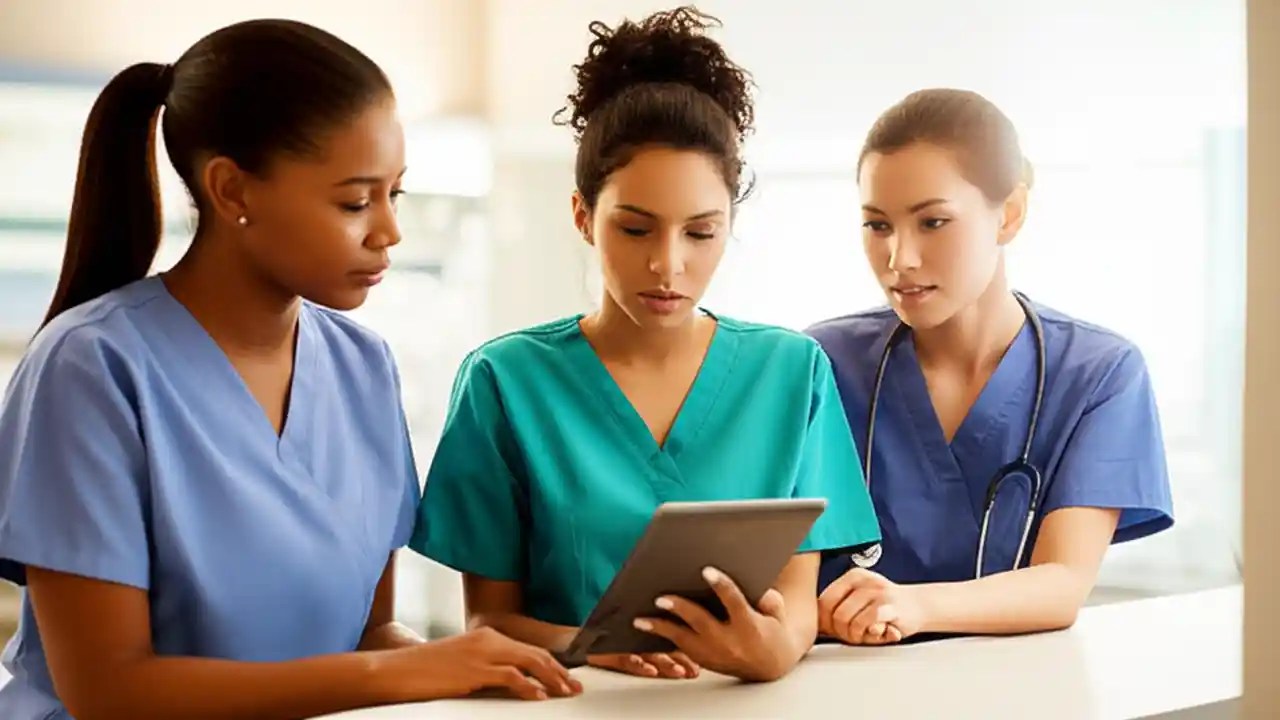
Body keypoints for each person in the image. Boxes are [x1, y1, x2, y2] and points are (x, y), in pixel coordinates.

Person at [0, 19, 581, 720]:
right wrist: (398, 672)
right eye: (355, 201)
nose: (389, 230)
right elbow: (109, 690)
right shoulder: (91, 367)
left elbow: (368, 637)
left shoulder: (363, 367)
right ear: (232, 191)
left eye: (395, 193)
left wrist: (523, 661)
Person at [408, 6, 880, 684]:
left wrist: (779, 650)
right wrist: (591, 645)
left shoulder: (791, 372)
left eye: (700, 232)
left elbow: (798, 607)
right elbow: (489, 623)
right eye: (635, 230)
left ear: (729, 226)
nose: (668, 265)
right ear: (583, 216)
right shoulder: (505, 382)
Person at [807, 88, 1175, 646]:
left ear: (1009, 214)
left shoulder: (1098, 373)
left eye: (932, 222)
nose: (899, 259)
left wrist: (914, 604)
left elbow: (1062, 583)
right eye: (877, 225)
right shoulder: (822, 365)